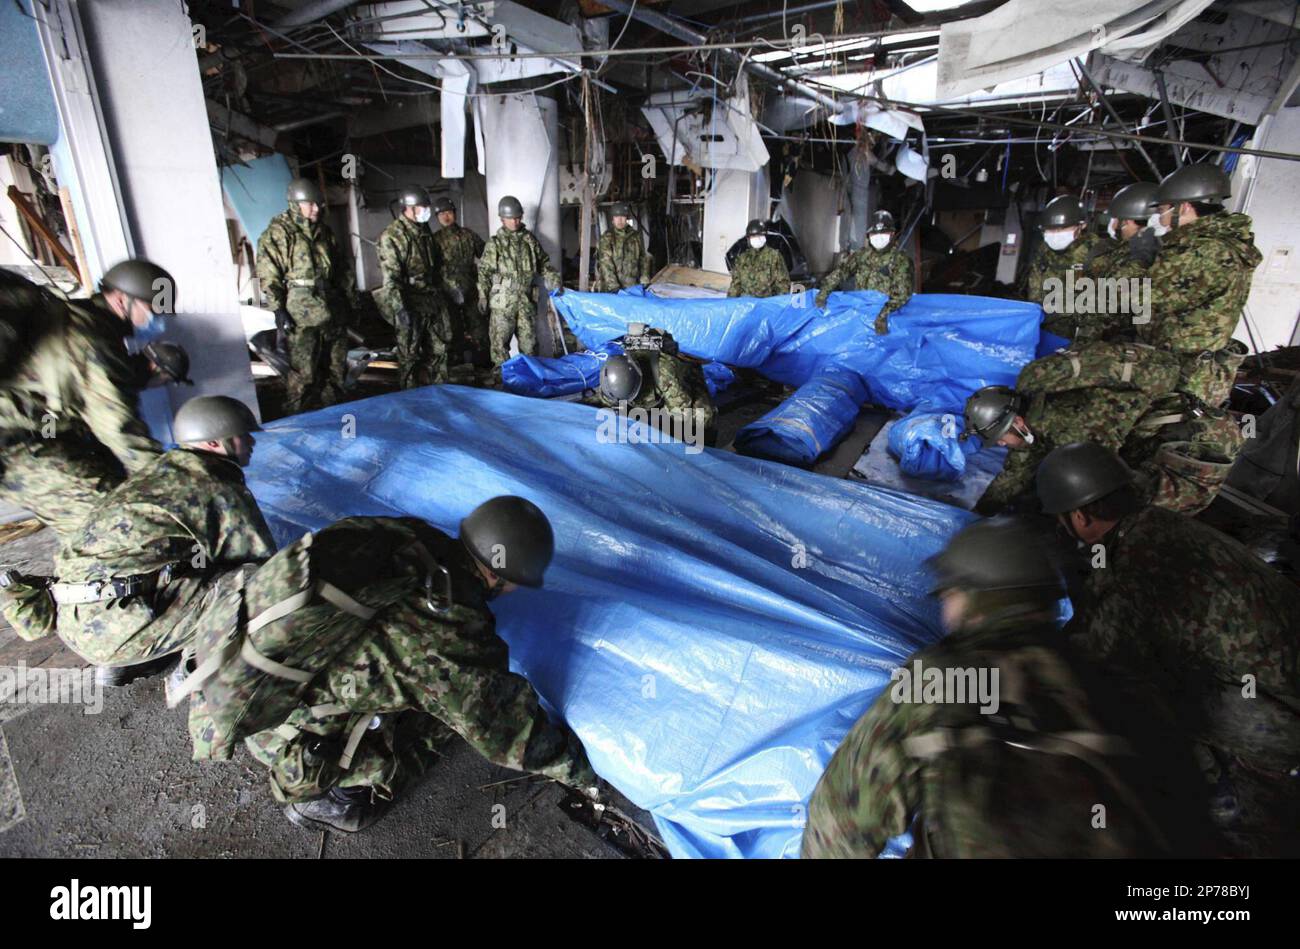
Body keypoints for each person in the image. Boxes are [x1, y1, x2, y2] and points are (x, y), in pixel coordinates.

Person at [172, 496, 599, 834]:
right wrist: (583, 772)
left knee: (420, 697)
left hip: (244, 671)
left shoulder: (406, 538)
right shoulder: (450, 633)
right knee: (434, 734)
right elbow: (508, 731)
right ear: (501, 578)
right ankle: (325, 796)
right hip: (283, 727)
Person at [802, 515, 1213, 858]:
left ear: (971, 600)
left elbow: (841, 822)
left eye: (949, 594)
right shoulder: (1120, 682)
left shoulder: (944, 678)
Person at [1037, 441, 1300, 857]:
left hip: (1277, 715)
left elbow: (1097, 654)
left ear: (1079, 516)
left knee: (1123, 695)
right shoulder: (1154, 524)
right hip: (1277, 670)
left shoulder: (1138, 569)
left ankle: (1229, 803)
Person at [46, 396, 276, 685]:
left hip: (76, 620)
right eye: (243, 436)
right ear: (215, 443)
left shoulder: (161, 471)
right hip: (115, 628)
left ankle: (127, 661)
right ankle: (194, 670)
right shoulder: (215, 486)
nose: (251, 443)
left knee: (190, 563)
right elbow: (261, 561)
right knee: (256, 583)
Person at [0, 260, 168, 538]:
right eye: (152, 309)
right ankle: (84, 579)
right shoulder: (93, 339)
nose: (157, 318)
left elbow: (81, 384)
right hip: (17, 448)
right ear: (121, 299)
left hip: (45, 435)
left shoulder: (86, 321)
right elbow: (120, 430)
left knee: (120, 488)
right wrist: (173, 481)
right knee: (109, 525)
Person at [963, 337, 1179, 515]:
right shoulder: (1033, 407)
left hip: (1165, 396)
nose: (1000, 443)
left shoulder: (1071, 431)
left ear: (1018, 422)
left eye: (1000, 437)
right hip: (1114, 399)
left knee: (1119, 491)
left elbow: (1100, 484)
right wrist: (980, 513)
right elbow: (1016, 472)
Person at [1139, 163, 1260, 406]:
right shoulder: (1215, 244)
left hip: (1184, 376)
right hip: (1190, 367)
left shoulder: (1205, 251)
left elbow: (1141, 297)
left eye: (1162, 209)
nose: (1158, 218)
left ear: (1183, 207)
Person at [256, 177, 358, 413]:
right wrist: (278, 309)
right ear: (295, 204)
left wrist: (351, 301)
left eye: (318, 204)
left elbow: (343, 270)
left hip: (332, 309)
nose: (316, 209)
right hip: (301, 312)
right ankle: (297, 419)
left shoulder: (324, 232)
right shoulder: (278, 233)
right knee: (304, 374)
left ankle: (334, 416)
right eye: (310, 204)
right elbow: (268, 275)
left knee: (335, 369)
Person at [376, 185, 453, 389]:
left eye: (426, 206)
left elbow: (437, 266)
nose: (426, 210)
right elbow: (391, 278)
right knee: (409, 356)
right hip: (409, 301)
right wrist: (399, 308)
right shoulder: (392, 236)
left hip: (431, 300)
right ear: (408, 208)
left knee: (439, 351)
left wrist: (450, 288)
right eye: (422, 207)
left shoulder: (424, 231)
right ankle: (410, 401)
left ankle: (441, 397)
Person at [476, 195, 562, 370]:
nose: (515, 222)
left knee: (529, 345)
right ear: (502, 219)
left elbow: (543, 262)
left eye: (517, 218)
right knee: (499, 346)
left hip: (525, 300)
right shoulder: (496, 243)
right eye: (510, 219)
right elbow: (485, 272)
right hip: (502, 301)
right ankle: (503, 381)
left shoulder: (529, 240)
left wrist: (553, 278)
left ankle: (528, 382)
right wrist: (483, 296)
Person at [591, 325, 716, 438]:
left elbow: (680, 411)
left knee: (701, 419)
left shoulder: (664, 374)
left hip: (684, 380)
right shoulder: (614, 373)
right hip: (649, 391)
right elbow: (606, 402)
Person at [1023, 195, 1110, 342]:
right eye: (1050, 229)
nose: (1055, 234)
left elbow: (1104, 303)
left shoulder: (1097, 252)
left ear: (1081, 226)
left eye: (1062, 228)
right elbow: (1035, 286)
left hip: (1081, 335)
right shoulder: (1045, 250)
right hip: (1044, 329)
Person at [815, 210, 914, 333]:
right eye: (875, 234)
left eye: (884, 233)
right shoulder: (862, 255)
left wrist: (883, 315)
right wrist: (823, 293)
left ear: (892, 234)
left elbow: (902, 294)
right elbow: (841, 272)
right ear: (869, 236)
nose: (879, 237)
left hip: (886, 315)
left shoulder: (900, 260)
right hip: (860, 312)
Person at [430, 195, 486, 365]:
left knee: (479, 328)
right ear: (437, 217)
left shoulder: (468, 235)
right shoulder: (435, 240)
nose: (446, 217)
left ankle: (483, 363)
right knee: (453, 330)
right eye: (441, 214)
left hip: (470, 290)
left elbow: (486, 255)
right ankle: (459, 365)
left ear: (454, 213)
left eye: (448, 212)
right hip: (447, 293)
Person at [595, 201, 653, 293]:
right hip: (612, 289)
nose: (620, 220)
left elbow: (643, 258)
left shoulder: (635, 236)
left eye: (622, 216)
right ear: (613, 219)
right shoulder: (607, 238)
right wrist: (613, 287)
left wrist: (644, 279)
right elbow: (606, 264)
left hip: (632, 286)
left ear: (627, 218)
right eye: (616, 217)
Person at [727, 219, 790, 298]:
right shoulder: (742, 259)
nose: (756, 238)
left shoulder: (774, 256)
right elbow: (735, 285)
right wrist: (729, 303)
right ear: (749, 239)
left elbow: (783, 285)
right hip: (746, 304)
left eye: (759, 235)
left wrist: (778, 306)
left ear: (764, 236)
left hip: (766, 304)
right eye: (753, 236)